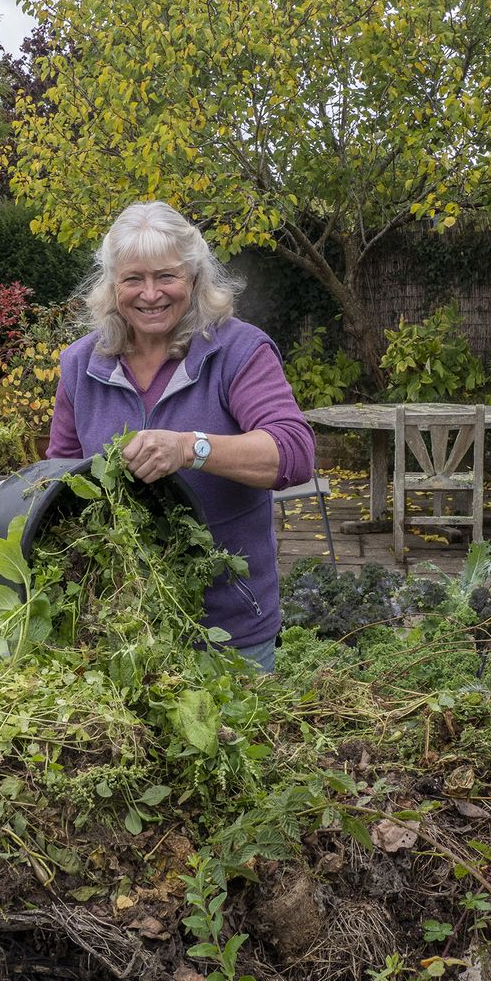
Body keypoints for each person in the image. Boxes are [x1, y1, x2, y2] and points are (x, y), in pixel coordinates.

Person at [47, 201, 316, 670]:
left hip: (228, 629)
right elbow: (60, 479)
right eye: (133, 279)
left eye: (166, 276)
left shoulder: (236, 351)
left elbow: (293, 453)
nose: (150, 294)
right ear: (112, 286)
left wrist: (190, 447)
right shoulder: (82, 365)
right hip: (121, 629)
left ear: (193, 278)